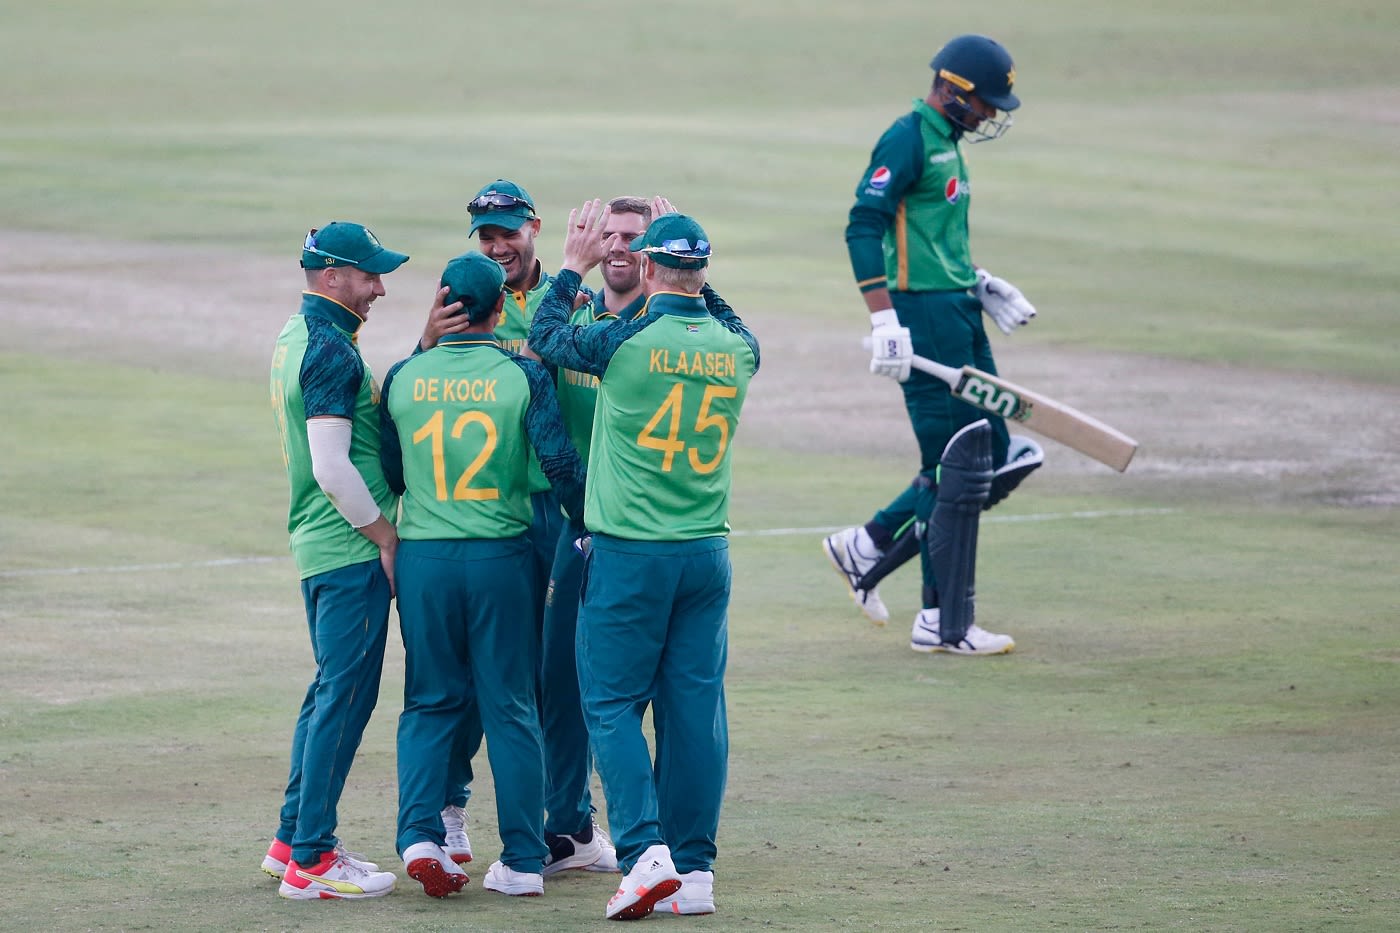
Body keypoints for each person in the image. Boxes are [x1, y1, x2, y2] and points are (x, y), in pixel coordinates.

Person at [529, 200, 760, 920]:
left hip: (632, 552)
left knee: (609, 700)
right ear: (704, 273)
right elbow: (733, 320)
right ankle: (694, 872)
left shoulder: (621, 343)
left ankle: (643, 851)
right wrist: (688, 262)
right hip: (706, 553)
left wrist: (571, 265)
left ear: (652, 268)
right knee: (695, 711)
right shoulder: (738, 349)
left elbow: (544, 335)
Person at [823, 33, 1045, 656]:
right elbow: (863, 225)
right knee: (960, 462)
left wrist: (976, 280)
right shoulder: (908, 136)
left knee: (993, 449)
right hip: (921, 314)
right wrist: (883, 319)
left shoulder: (947, 141)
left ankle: (867, 544)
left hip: (956, 307)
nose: (993, 115)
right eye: (986, 103)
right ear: (951, 89)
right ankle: (943, 621)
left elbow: (927, 234)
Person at [379, 250, 588, 898]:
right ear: (502, 310)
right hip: (500, 555)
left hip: (425, 561)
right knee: (511, 707)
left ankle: (420, 832)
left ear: (443, 303)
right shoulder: (522, 375)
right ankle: (524, 859)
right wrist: (587, 524)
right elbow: (558, 466)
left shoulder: (403, 376)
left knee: (429, 699)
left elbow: (390, 475)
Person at [262, 221, 406, 900]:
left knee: (329, 692)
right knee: (345, 695)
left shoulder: (299, 336)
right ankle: (313, 858)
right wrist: (384, 536)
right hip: (347, 548)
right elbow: (331, 466)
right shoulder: (329, 350)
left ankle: (292, 836)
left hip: (321, 546)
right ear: (332, 278)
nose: (378, 288)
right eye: (368, 275)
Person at [537, 197, 651, 876]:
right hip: (571, 527)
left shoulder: (660, 327)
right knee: (559, 681)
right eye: (607, 235)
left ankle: (653, 836)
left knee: (624, 690)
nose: (617, 246)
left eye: (634, 237)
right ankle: (568, 828)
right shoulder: (572, 323)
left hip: (635, 533)